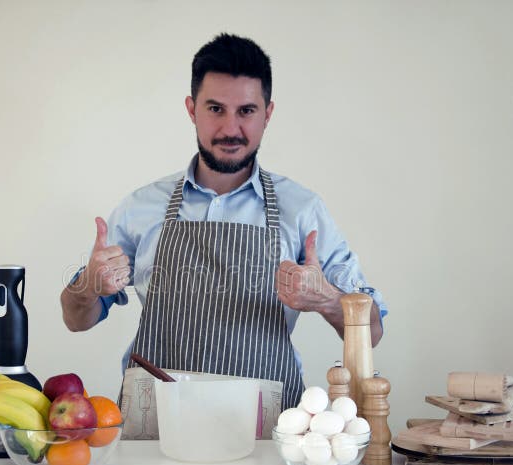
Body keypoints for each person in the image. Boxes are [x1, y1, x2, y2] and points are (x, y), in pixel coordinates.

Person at [60, 33, 387, 438]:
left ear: (267, 114)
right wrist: (87, 288)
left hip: (264, 435)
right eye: (215, 108)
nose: (230, 128)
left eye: (246, 111)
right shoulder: (141, 207)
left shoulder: (303, 210)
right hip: (157, 431)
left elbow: (371, 329)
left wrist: (326, 299)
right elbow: (76, 319)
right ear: (191, 109)